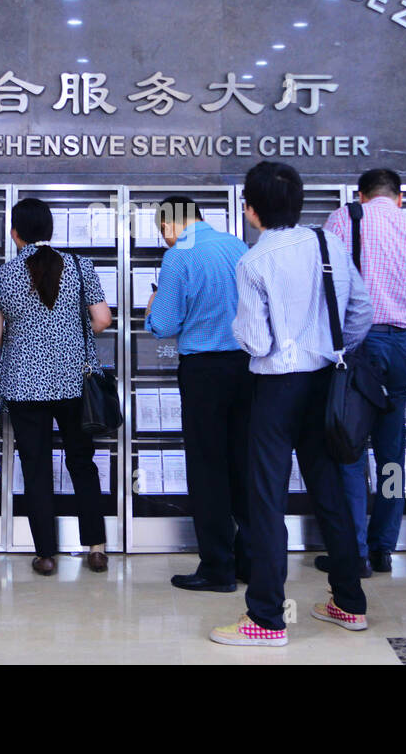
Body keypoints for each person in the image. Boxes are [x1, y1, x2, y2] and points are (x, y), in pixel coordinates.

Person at [211, 161, 374, 647]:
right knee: (331, 493)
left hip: (277, 388)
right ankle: (349, 602)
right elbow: (361, 312)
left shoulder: (254, 262)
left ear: (253, 210)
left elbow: (256, 341)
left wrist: (246, 334)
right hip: (327, 382)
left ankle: (265, 617)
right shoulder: (330, 244)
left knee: (266, 500)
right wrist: (332, 347)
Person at [0, 198, 112, 576]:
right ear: (51, 230)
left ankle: (46, 555)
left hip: (24, 386)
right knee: (82, 464)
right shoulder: (79, 266)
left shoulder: (3, 275)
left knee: (35, 467)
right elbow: (102, 319)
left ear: (15, 233)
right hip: (75, 382)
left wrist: (16, 332)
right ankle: (97, 548)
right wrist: (72, 336)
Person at [320, 168, 406, 577]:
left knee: (348, 447)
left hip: (360, 345)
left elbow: (326, 287)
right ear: (398, 197)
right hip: (402, 346)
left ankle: (353, 553)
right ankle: (383, 547)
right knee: (391, 452)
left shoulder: (344, 218)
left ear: (361, 194)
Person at [145, 195, 252, 593]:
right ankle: (251, 562)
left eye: (162, 231)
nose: (164, 239)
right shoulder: (237, 246)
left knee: (208, 470)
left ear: (169, 224)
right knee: (243, 465)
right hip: (246, 367)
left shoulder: (178, 257)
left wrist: (153, 306)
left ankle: (218, 569)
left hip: (205, 371)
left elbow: (165, 323)